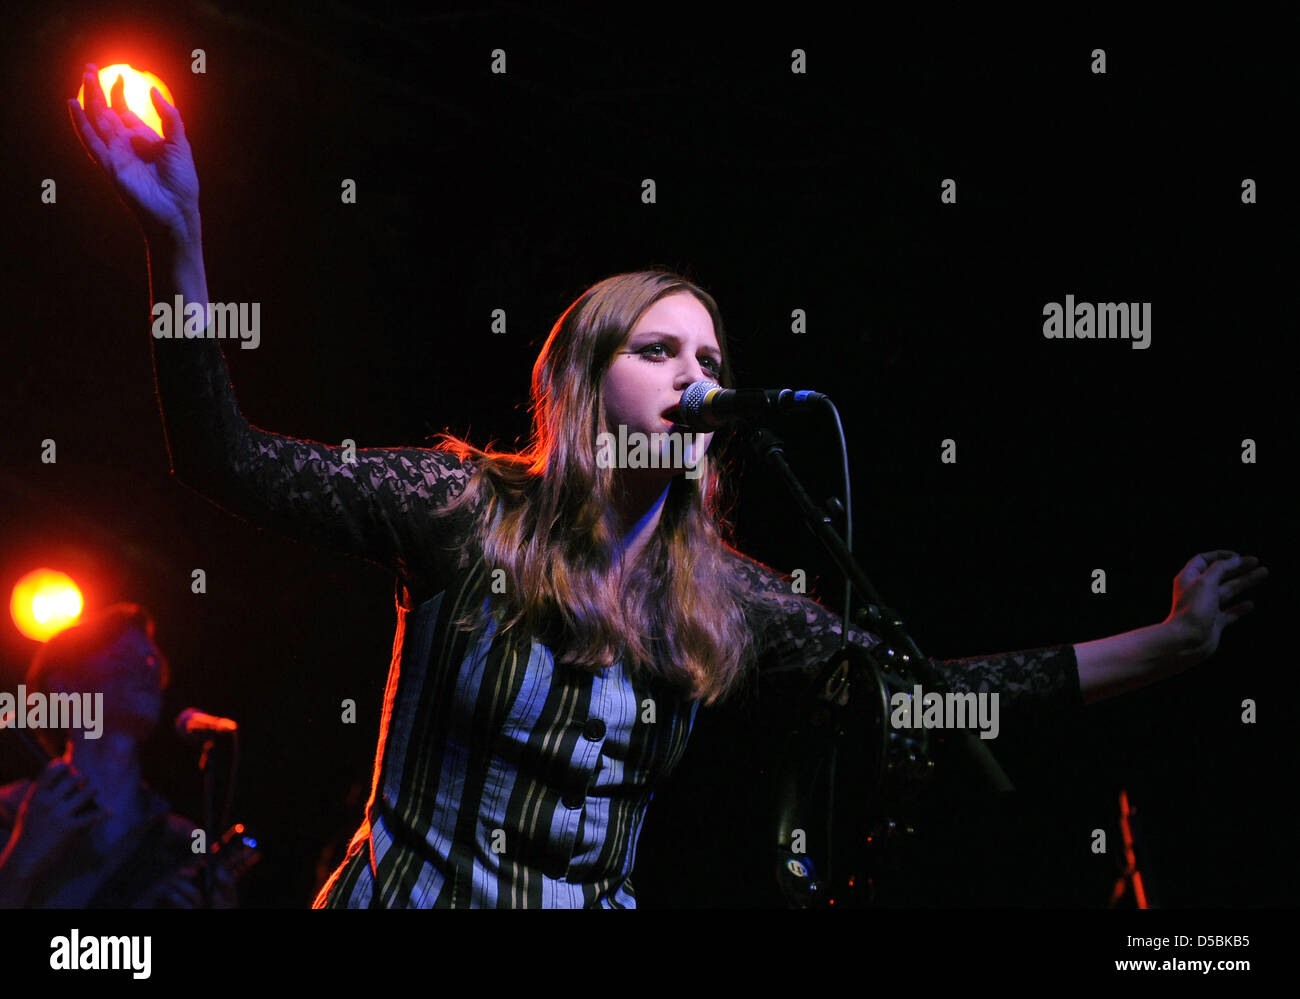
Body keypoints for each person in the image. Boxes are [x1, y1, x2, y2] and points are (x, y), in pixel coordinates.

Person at [67, 66, 1268, 908]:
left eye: (712, 360)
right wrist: (182, 246)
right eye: (660, 352)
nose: (696, 376)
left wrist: (1167, 646)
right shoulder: (464, 507)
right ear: (589, 388)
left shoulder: (721, 599)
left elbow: (922, 700)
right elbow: (226, 457)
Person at [0, 604, 237, 908]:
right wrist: (24, 856)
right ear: (63, 686)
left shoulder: (185, 842)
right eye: (122, 657)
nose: (147, 670)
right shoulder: (8, 811)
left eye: (152, 660)